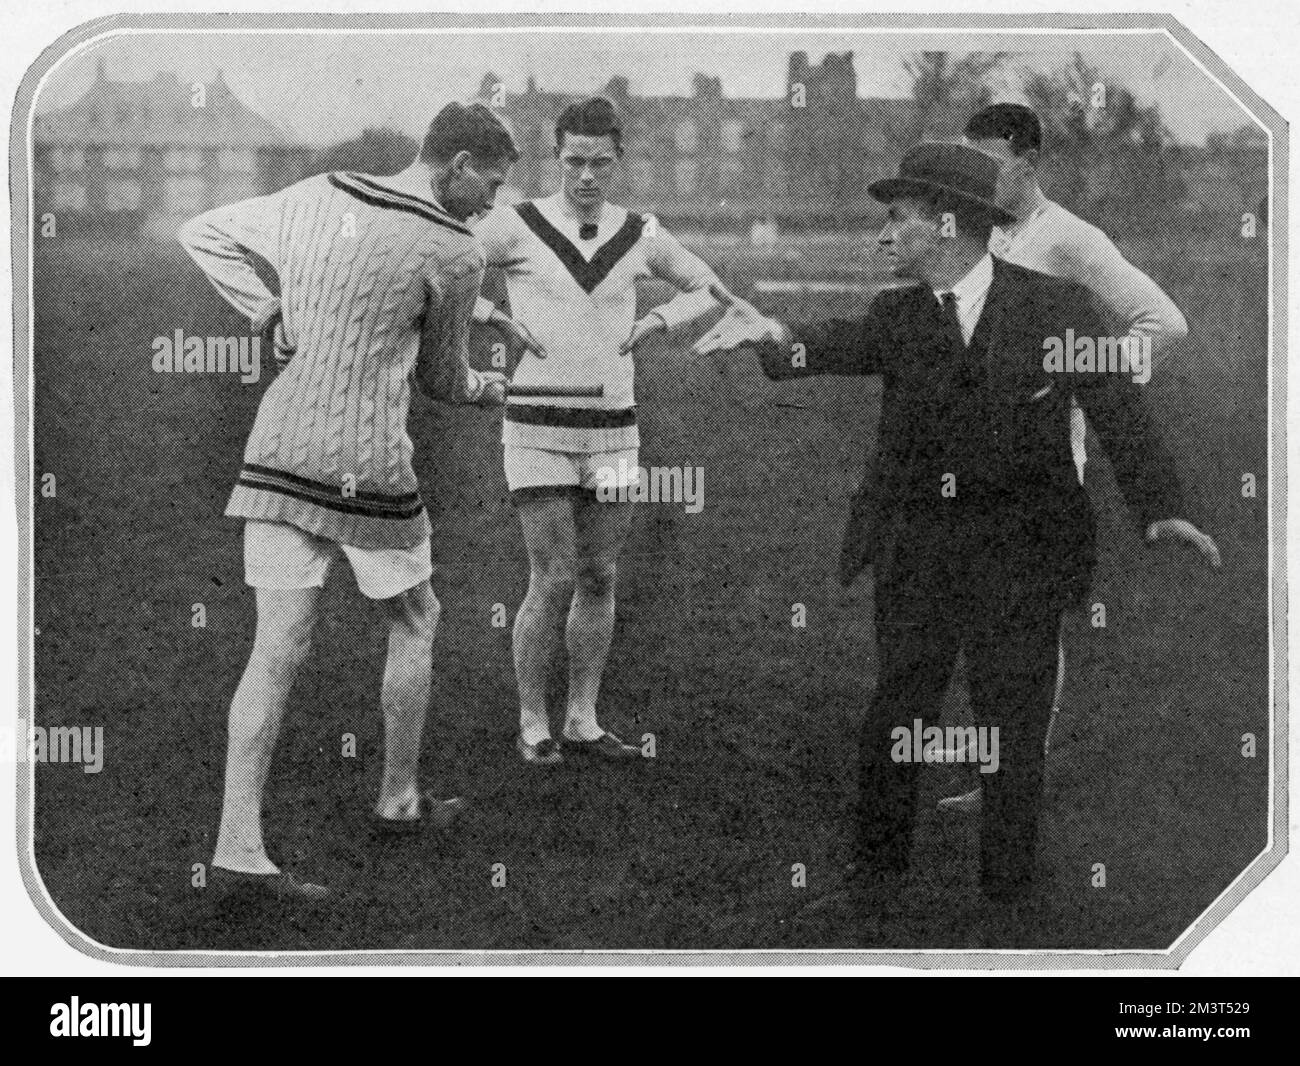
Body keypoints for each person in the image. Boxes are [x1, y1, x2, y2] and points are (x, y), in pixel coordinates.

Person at [694, 142, 1220, 907]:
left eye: (897, 219)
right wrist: (774, 335)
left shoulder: (1054, 307)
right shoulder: (899, 313)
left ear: (946, 224)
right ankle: (875, 877)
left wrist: (1162, 508)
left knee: (1013, 719)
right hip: (918, 554)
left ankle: (1008, 895)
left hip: (1026, 554)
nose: (882, 236)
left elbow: (1116, 408)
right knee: (897, 711)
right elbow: (837, 344)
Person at [179, 102, 517, 903]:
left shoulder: (320, 190)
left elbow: (202, 232)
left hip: (277, 454)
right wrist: (486, 386)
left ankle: (238, 848)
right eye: (490, 185)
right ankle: (398, 798)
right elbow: (441, 379)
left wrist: (266, 312)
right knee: (416, 617)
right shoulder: (456, 250)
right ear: (458, 165)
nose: (492, 204)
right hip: (369, 467)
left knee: (276, 649)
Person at [934, 102, 1192, 814]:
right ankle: (1002, 766)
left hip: (1045, 466)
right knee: (974, 621)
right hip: (968, 461)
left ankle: (1015, 775)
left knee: (1026, 624)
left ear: (1029, 162)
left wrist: (1082, 378)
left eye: (990, 165)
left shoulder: (1073, 239)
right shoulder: (974, 233)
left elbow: (1164, 322)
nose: (976, 179)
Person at [472, 97, 729, 766]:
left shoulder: (641, 232)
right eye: (575, 161)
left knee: (600, 575)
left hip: (614, 433)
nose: (586, 176)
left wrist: (660, 322)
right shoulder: (518, 224)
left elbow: (707, 286)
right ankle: (534, 721)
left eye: (600, 163)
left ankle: (583, 718)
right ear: (557, 157)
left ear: (618, 162)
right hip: (536, 428)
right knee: (551, 577)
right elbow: (435, 268)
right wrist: (492, 317)